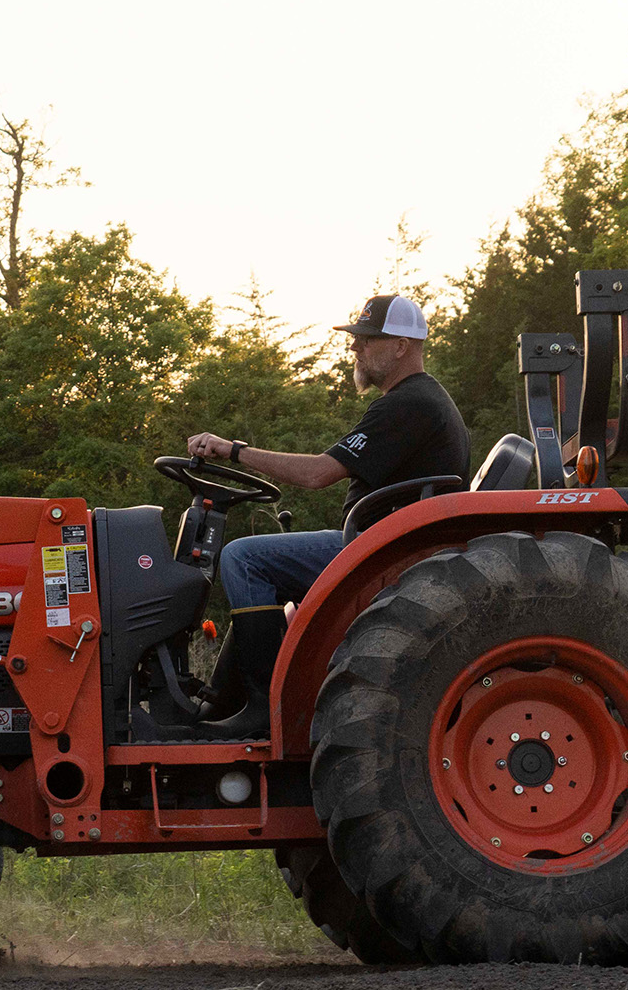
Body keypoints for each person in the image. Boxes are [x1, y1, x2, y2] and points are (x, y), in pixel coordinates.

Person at [182, 293, 469, 734]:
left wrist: (233, 450)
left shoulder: (408, 404)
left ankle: (265, 710)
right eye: (356, 338)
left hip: (381, 553)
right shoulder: (424, 401)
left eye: (367, 339)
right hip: (387, 544)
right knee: (263, 573)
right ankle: (219, 706)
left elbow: (318, 474)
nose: (355, 347)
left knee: (243, 558)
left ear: (401, 346)